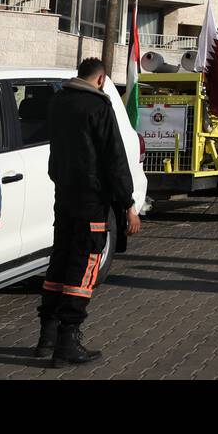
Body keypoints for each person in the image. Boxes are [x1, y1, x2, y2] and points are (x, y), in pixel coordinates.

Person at [38, 57, 140, 367]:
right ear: (101, 79)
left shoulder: (58, 102)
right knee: (84, 268)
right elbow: (114, 158)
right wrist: (128, 205)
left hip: (64, 197)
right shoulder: (98, 107)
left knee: (60, 262)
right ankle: (68, 341)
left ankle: (47, 336)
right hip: (92, 201)